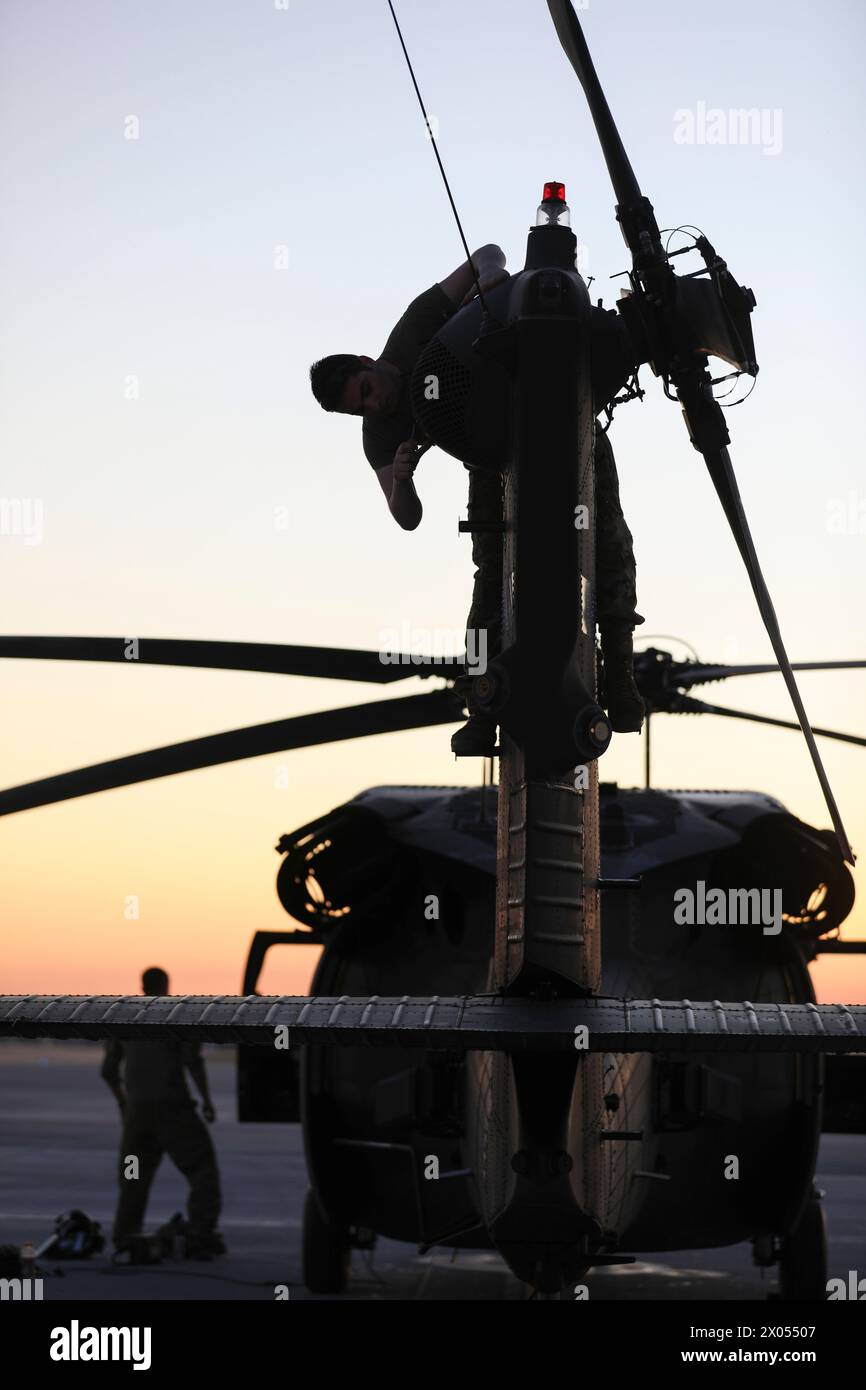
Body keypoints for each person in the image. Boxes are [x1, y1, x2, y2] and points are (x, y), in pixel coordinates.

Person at [309, 245, 645, 755]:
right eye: (361, 408)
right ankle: (483, 704)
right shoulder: (378, 434)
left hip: (565, 416)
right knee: (492, 575)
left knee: (609, 542)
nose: (375, 404)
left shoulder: (411, 329)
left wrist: (490, 278)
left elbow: (486, 252)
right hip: (492, 456)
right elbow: (407, 519)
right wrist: (401, 482)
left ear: (365, 362)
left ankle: (619, 675)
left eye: (367, 389)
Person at [101, 966, 224, 1258]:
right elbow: (193, 1062)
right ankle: (199, 1235)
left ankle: (126, 1236)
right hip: (174, 1110)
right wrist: (207, 1100)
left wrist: (124, 1103)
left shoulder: (125, 1016)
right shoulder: (176, 1015)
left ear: (141, 985)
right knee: (202, 1170)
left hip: (138, 1116)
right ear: (166, 985)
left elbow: (108, 1071)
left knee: (133, 1179)